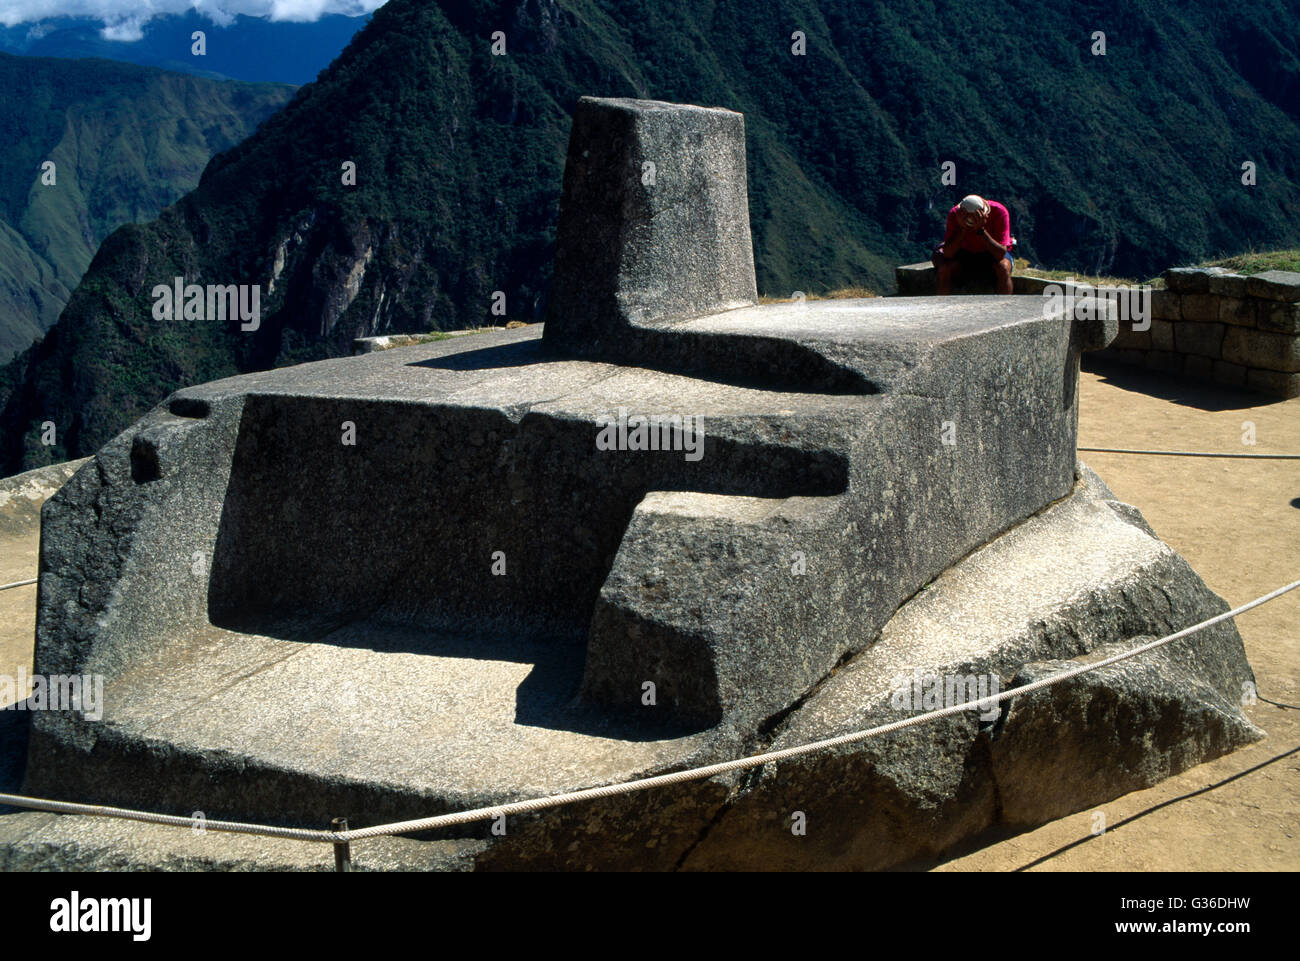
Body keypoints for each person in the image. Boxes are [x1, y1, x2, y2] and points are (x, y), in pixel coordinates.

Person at [932, 194, 1014, 294]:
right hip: (964, 253)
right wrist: (962, 229)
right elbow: (948, 253)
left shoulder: (999, 212)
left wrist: (981, 230)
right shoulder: (955, 214)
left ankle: (1004, 305)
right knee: (944, 269)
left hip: (991, 254)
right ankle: (943, 306)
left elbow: (1000, 254)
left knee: (1004, 268)